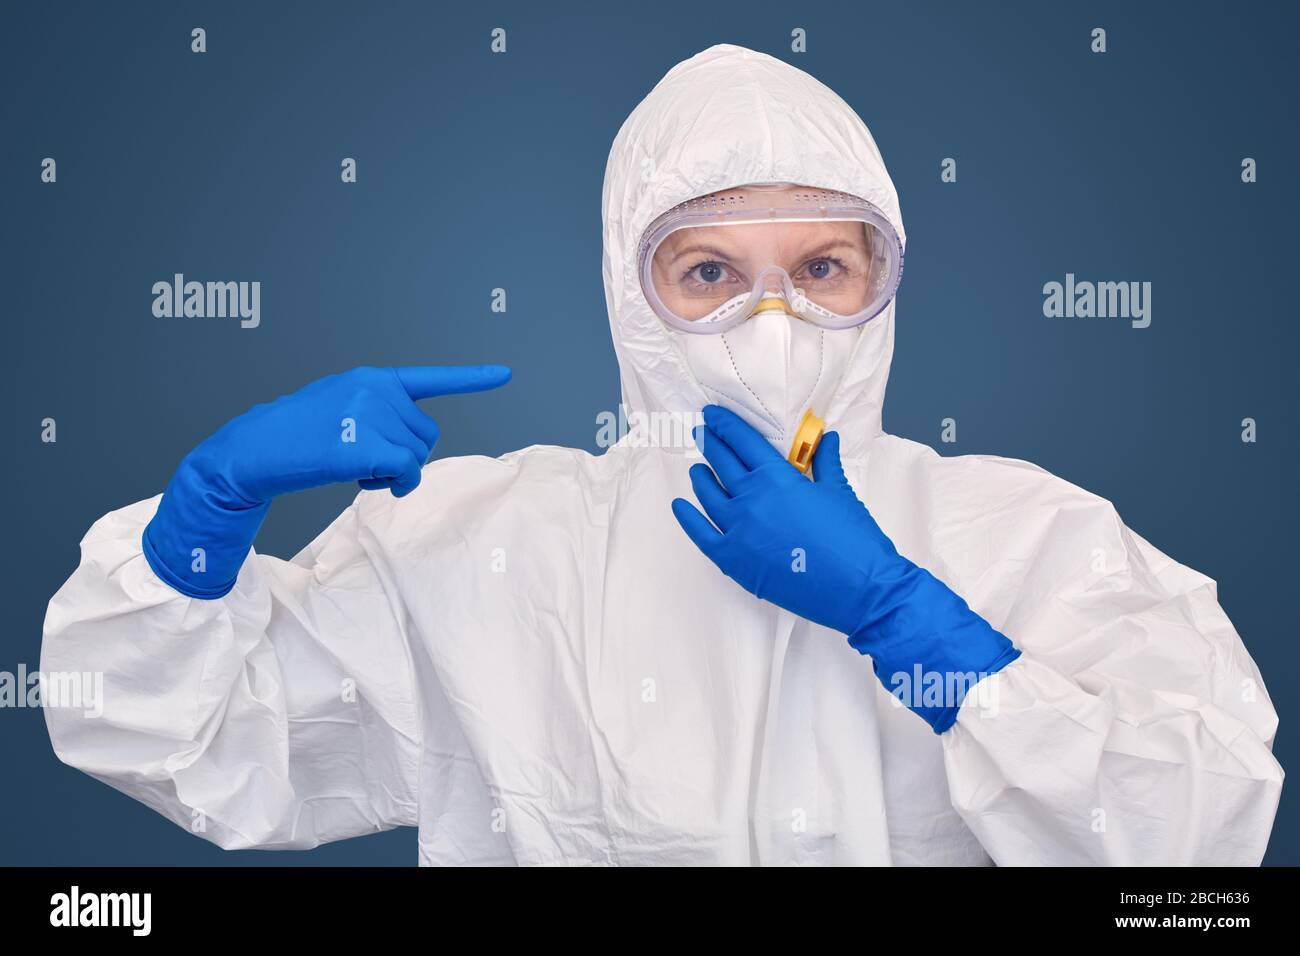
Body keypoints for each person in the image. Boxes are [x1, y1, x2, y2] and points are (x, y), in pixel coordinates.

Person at [42, 44, 1281, 866]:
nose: (773, 320)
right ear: (631, 296)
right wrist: (202, 520)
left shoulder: (1024, 535)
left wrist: (919, 629)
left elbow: (1200, 841)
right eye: (708, 272)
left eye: (819, 268)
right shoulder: (483, 541)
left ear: (882, 281)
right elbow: (186, 749)